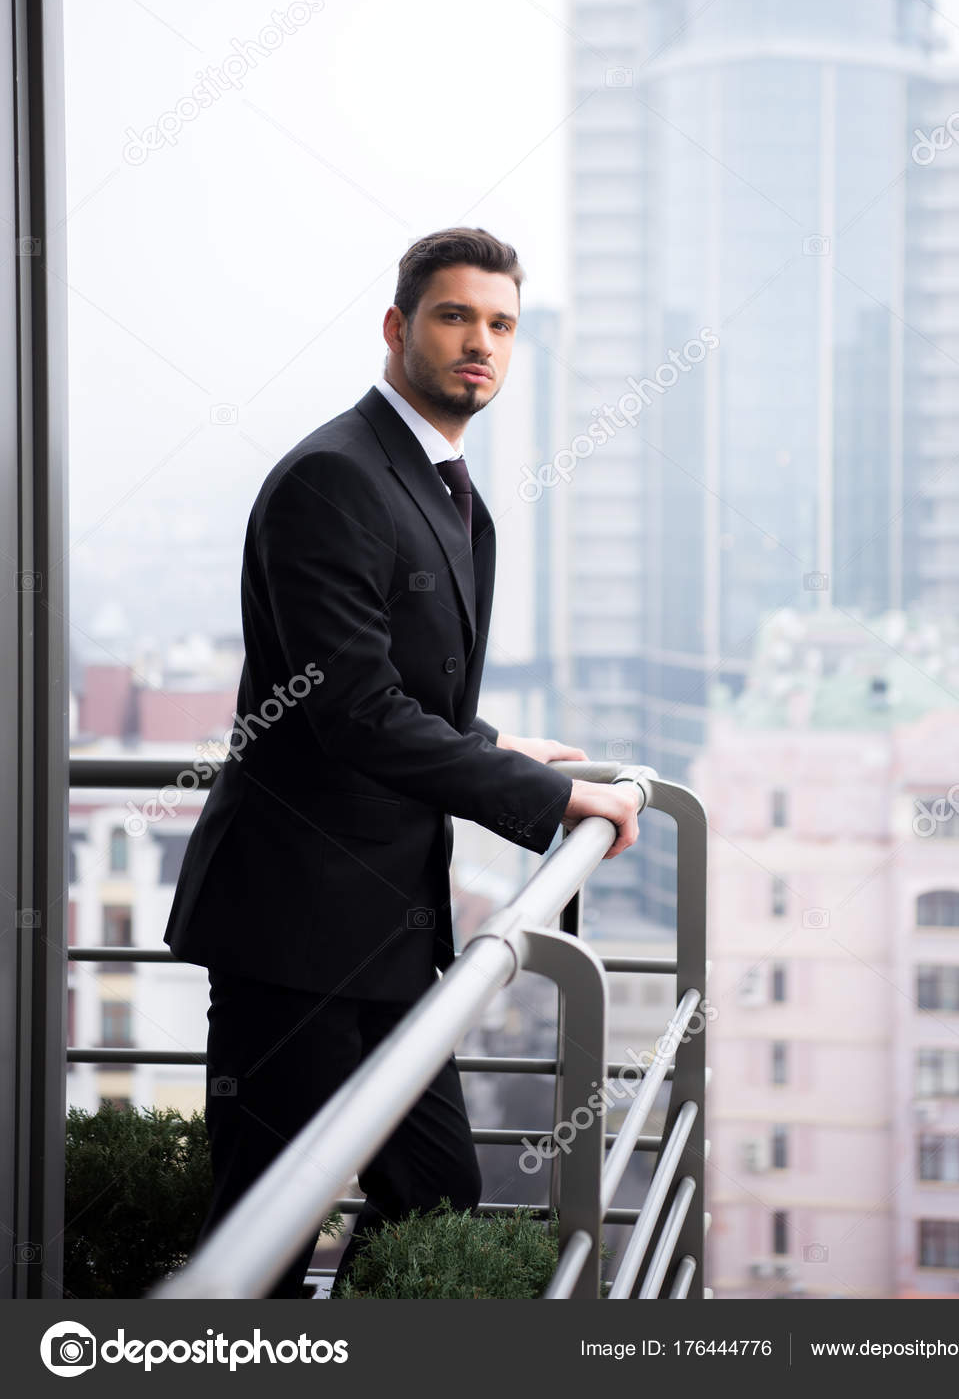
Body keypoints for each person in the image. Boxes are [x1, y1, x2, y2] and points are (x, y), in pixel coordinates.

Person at [164, 226, 642, 1297]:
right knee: (261, 1233)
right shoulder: (336, 478)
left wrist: (492, 741)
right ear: (397, 327)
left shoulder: (439, 482)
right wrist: (554, 793)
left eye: (502, 325)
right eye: (455, 315)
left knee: (433, 1193)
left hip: (383, 924)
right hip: (291, 926)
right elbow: (355, 713)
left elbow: (397, 696)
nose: (481, 342)